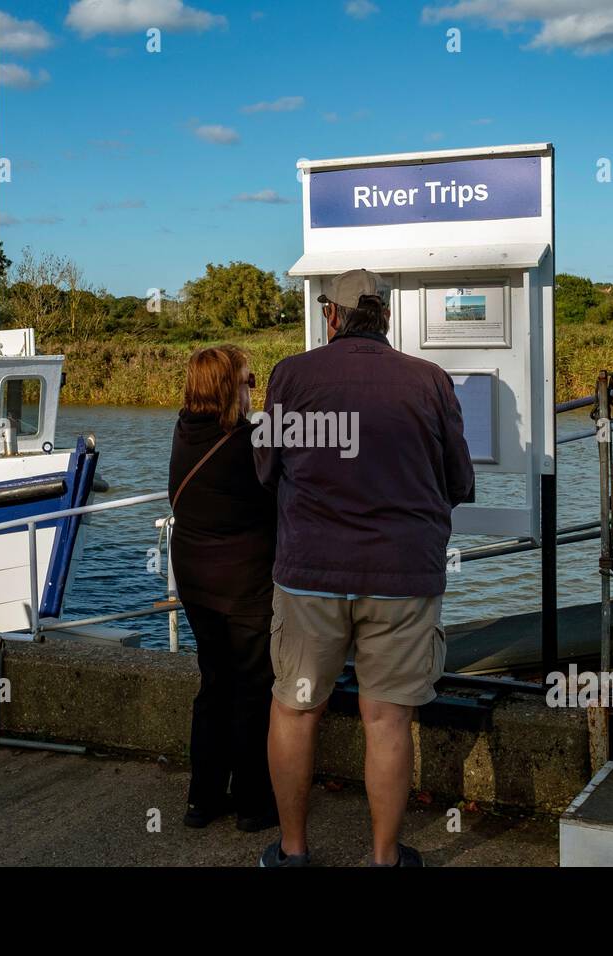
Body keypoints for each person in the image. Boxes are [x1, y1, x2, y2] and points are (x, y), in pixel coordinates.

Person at [253, 269, 475, 868]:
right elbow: (460, 481)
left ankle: (293, 852)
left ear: (333, 316)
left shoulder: (291, 377)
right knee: (387, 718)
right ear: (385, 318)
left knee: (296, 708)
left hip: (309, 577)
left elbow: (264, 470)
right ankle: (384, 858)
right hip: (403, 575)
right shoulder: (429, 381)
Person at [168, 345, 279, 833]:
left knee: (214, 683)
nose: (252, 388)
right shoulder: (245, 444)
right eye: (248, 380)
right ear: (228, 387)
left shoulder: (184, 430)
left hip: (195, 576)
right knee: (254, 688)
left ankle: (202, 800)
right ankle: (253, 803)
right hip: (244, 581)